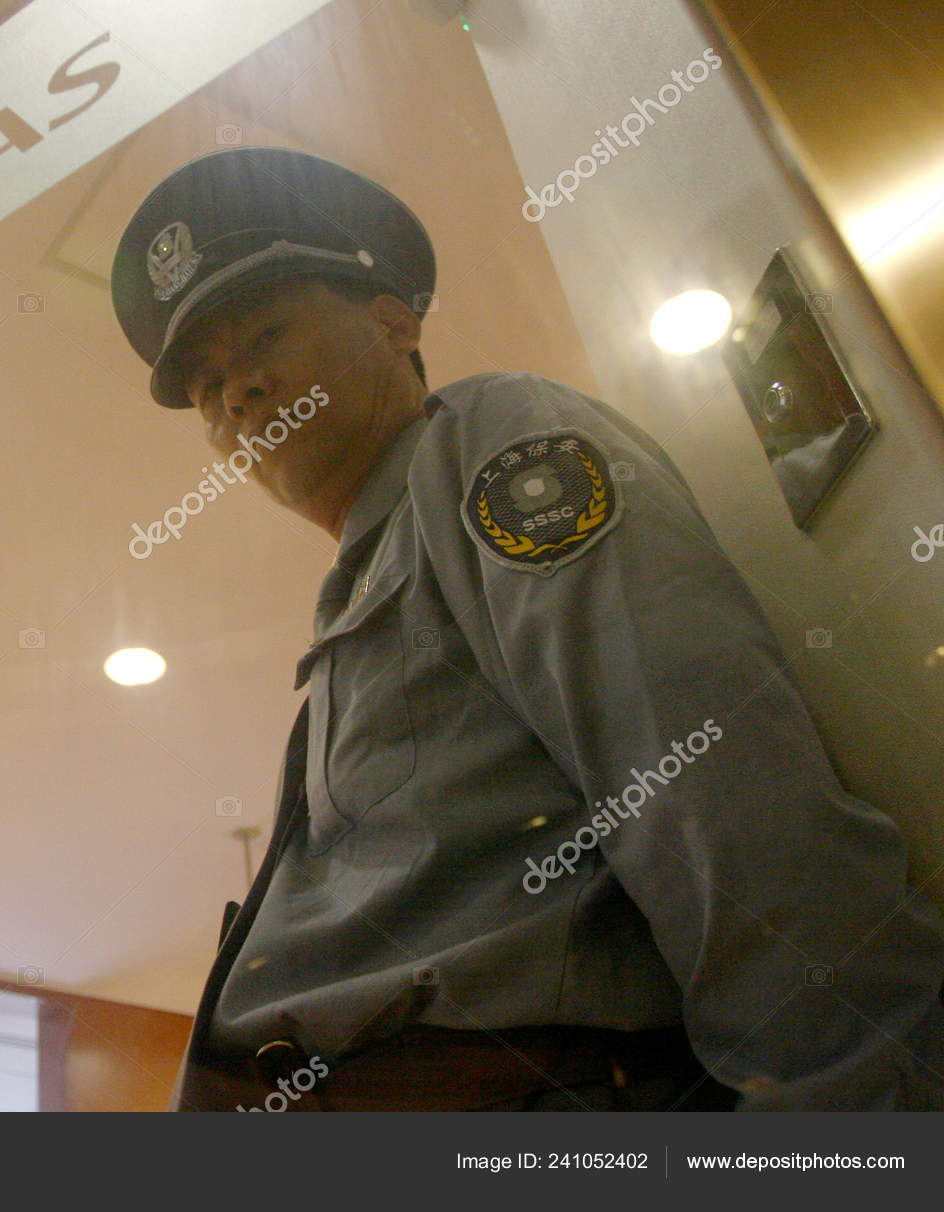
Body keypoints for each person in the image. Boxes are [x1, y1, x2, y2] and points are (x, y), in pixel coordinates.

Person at [110, 146, 944, 1112]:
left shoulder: (491, 439)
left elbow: (701, 776)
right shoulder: (367, 581)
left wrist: (861, 1106)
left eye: (263, 337)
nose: (238, 392)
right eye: (207, 386)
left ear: (392, 321)